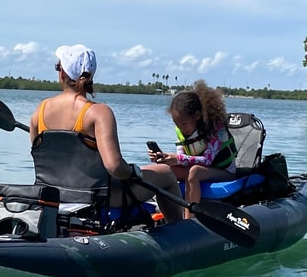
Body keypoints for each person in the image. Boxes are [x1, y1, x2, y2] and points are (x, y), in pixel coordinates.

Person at [29, 44, 183, 222]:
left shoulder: (39, 111)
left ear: (62, 73)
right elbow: (115, 167)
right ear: (91, 76)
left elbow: (42, 157)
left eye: (58, 67)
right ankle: (179, 235)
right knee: (166, 173)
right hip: (98, 197)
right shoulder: (98, 112)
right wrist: (133, 172)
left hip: (52, 195)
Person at [142, 80, 237, 219]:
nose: (180, 128)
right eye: (177, 124)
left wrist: (177, 159)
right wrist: (164, 159)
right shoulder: (181, 130)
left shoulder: (216, 128)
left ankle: (189, 219)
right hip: (200, 169)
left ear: (197, 116)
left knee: (194, 172)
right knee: (164, 170)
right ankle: (167, 214)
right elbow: (181, 154)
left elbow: (207, 160)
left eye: (183, 123)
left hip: (224, 172)